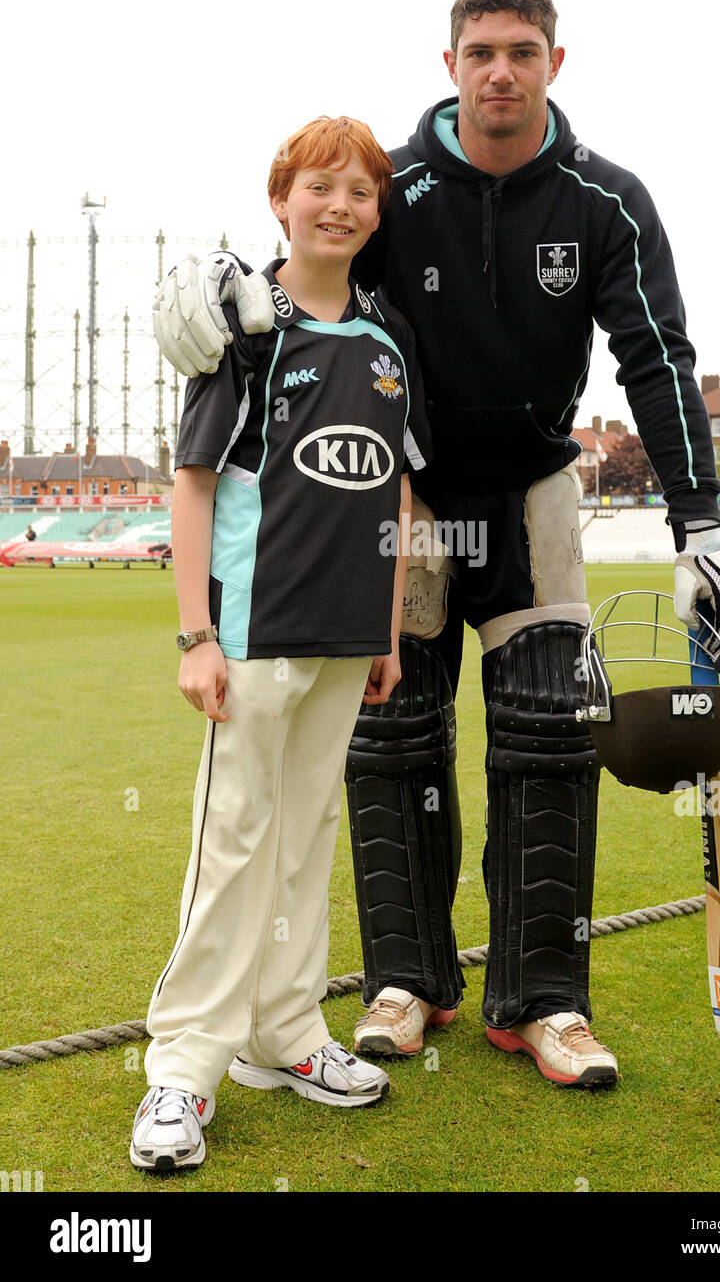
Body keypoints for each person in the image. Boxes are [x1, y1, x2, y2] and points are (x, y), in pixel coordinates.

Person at [153, 0, 720, 1092]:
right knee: (392, 736)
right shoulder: (397, 185)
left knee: (544, 730)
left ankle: (545, 1002)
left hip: (532, 491)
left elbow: (654, 357)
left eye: (521, 51)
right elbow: (306, 267)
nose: (499, 70)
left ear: (552, 65)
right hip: (409, 502)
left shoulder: (604, 200)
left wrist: (703, 523)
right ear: (449, 65)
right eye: (479, 50)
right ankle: (403, 982)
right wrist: (216, 277)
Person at [131, 116, 432, 1172]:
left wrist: (385, 627)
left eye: (360, 191)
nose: (340, 206)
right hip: (252, 636)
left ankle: (288, 1034)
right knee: (235, 845)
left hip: (348, 641)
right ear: (281, 200)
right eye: (320, 187)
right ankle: (183, 1069)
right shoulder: (244, 331)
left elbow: (393, 487)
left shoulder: (389, 345)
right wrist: (195, 635)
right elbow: (194, 485)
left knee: (307, 841)